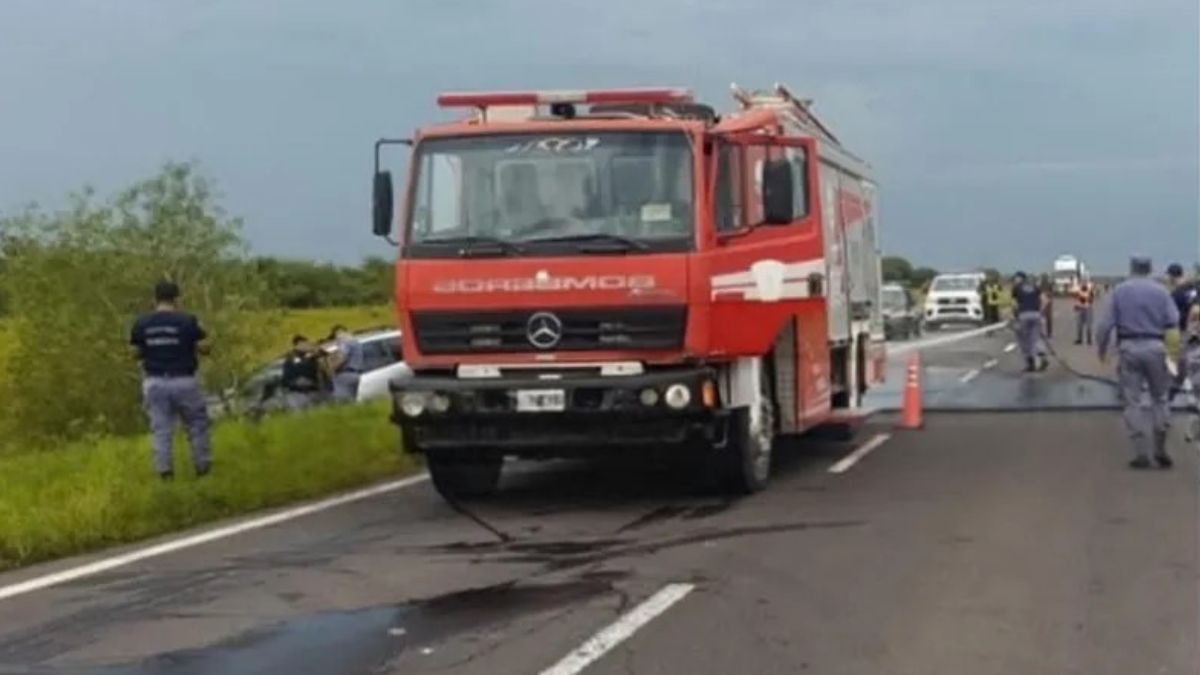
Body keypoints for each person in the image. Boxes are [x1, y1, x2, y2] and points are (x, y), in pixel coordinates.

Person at [1096, 256, 1179, 469]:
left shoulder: (1120, 291)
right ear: (1150, 269)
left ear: (1131, 268)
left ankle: (1141, 452)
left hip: (1129, 347)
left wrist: (1102, 349)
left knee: (1132, 401)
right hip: (1155, 346)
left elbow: (1105, 324)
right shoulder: (1161, 291)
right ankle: (1160, 447)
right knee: (1160, 398)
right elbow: (1173, 320)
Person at [129, 280, 211, 481]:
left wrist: (152, 350)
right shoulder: (187, 320)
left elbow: (134, 352)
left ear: (155, 299)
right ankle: (202, 469)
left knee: (161, 428)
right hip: (184, 380)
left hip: (155, 382)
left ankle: (165, 473)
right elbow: (205, 347)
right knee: (196, 425)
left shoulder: (142, 323)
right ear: (177, 299)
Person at [1011, 271, 1049, 372]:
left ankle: (1030, 363)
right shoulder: (1035, 287)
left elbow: (1014, 304)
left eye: (1016, 278)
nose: (1015, 280)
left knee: (1024, 340)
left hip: (1023, 315)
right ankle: (1042, 357)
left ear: (1020, 279)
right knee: (1036, 337)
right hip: (1036, 315)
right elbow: (1045, 300)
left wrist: (1015, 317)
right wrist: (1040, 311)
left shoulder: (1016, 288)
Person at [280, 335, 323, 411]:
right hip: (296, 393)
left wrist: (315, 353)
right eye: (305, 344)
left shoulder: (309, 356)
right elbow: (299, 364)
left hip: (311, 390)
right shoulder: (292, 357)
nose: (307, 346)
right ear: (299, 344)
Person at [329, 324, 364, 402]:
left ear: (338, 333)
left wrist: (332, 369)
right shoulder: (355, 341)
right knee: (352, 400)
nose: (336, 338)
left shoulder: (345, 341)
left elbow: (341, 358)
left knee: (343, 401)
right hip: (356, 374)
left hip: (345, 374)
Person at [1073, 279, 1096, 345]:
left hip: (1088, 308)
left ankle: (1089, 340)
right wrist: (1075, 306)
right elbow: (1075, 298)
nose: (1083, 285)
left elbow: (1091, 299)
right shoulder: (1078, 290)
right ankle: (1079, 339)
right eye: (1082, 283)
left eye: (1084, 283)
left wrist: (1086, 298)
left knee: (1089, 325)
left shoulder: (1090, 290)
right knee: (1079, 325)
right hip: (1080, 308)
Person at [1038, 274, 1054, 339]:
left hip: (1045, 302)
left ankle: (1047, 333)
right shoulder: (1043, 285)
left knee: (1043, 318)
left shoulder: (1041, 285)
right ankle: (1048, 333)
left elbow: (1051, 293)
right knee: (1047, 319)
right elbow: (1051, 293)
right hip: (1046, 302)